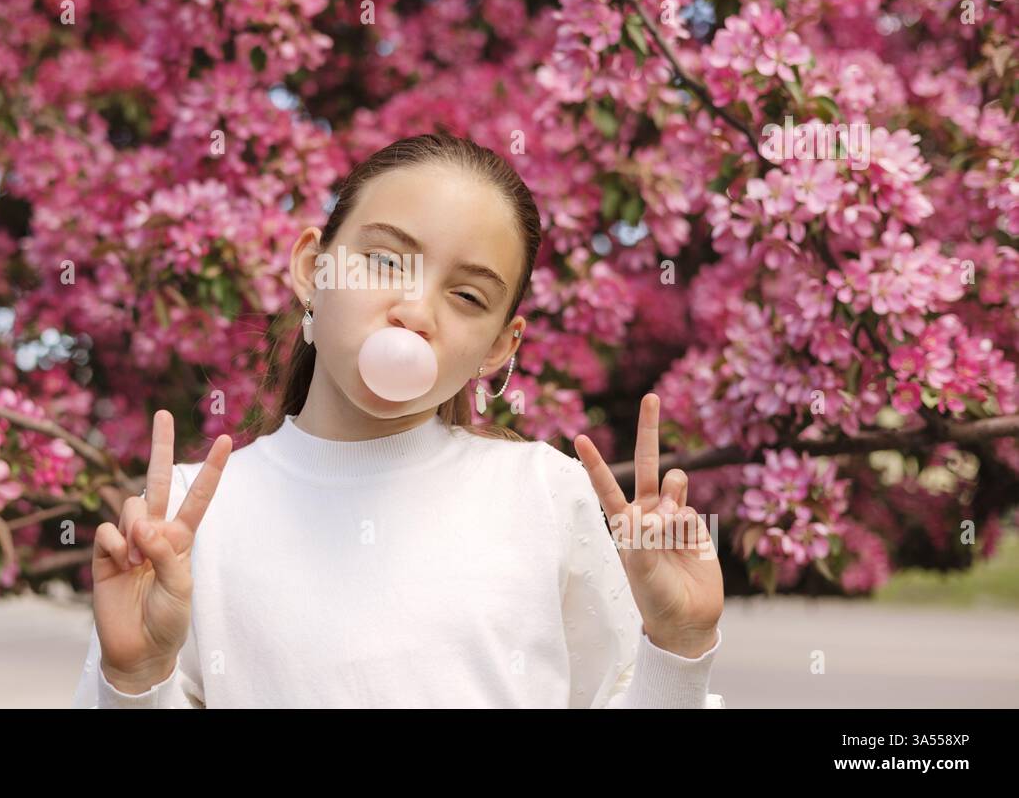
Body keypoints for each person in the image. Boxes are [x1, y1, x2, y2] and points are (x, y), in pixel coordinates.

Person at [71, 132, 726, 708]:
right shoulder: (185, 521)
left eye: (467, 295)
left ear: (499, 346)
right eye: (387, 261)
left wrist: (679, 648)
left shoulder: (546, 496)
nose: (416, 311)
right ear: (312, 267)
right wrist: (136, 679)